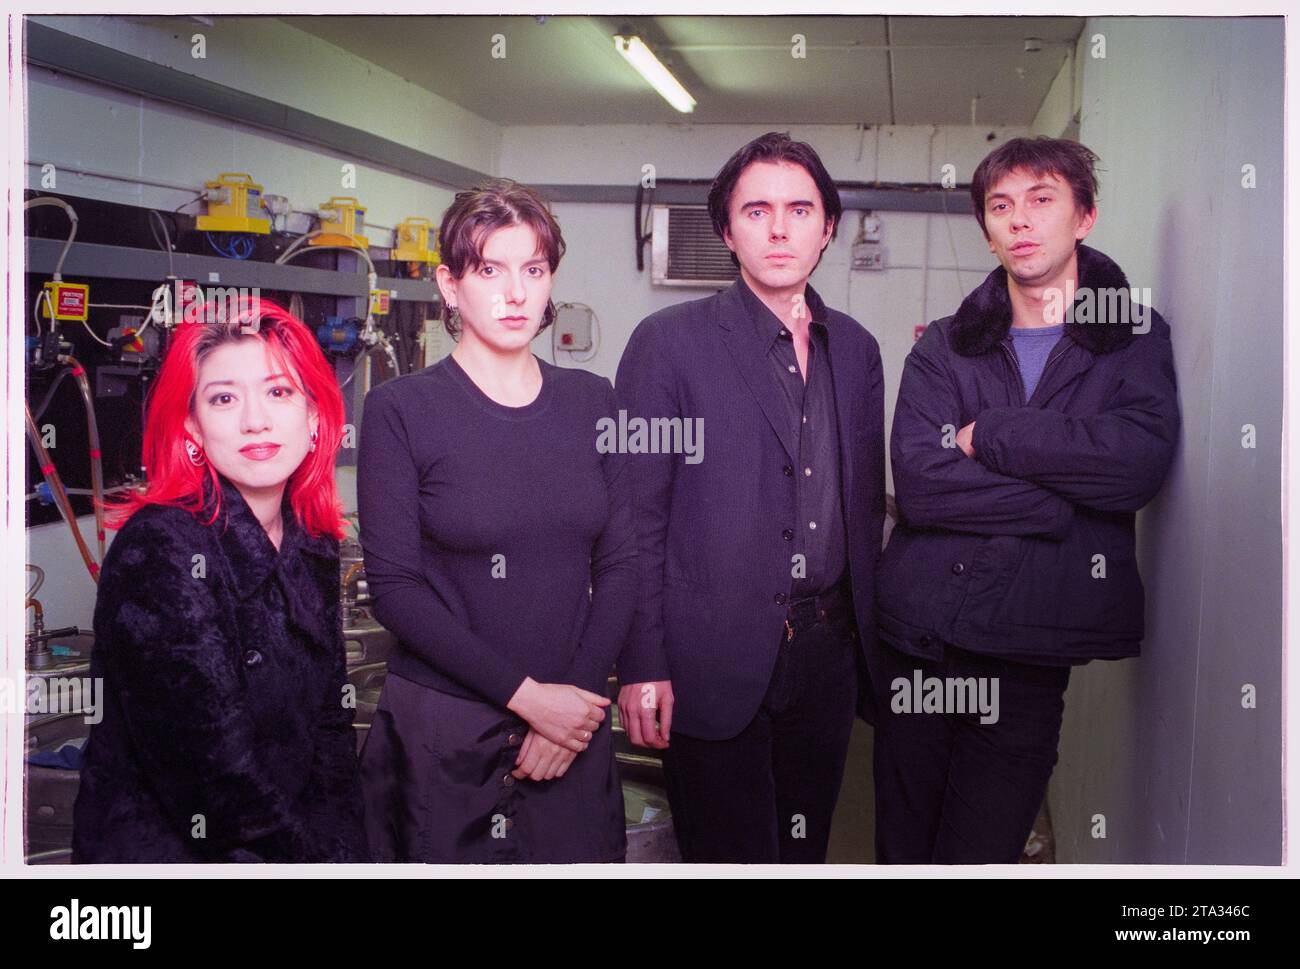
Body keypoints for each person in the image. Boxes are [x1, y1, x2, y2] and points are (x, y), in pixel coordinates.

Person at [871, 136, 1181, 863]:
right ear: (986, 226)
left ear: (1085, 217)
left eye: (1042, 200)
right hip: (918, 639)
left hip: (1028, 654)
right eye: (1001, 206)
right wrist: (1054, 505)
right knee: (903, 850)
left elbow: (1135, 466)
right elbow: (918, 481)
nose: (1020, 220)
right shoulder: (946, 346)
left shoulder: (1130, 337)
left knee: (980, 853)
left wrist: (1000, 433)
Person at [615, 132, 887, 863]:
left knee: (803, 852)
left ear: (827, 228)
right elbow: (635, 519)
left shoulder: (857, 350)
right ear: (726, 230)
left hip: (826, 657)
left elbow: (863, 509)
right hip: (709, 658)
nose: (778, 227)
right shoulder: (667, 343)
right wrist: (642, 662)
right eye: (757, 209)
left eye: (800, 210)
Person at [356, 178, 635, 863]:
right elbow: (396, 588)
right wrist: (529, 699)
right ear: (450, 286)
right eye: (490, 270)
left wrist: (572, 707)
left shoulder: (593, 400)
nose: (515, 293)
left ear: (550, 281)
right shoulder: (400, 411)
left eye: (533, 269)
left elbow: (624, 561)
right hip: (446, 735)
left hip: (572, 723)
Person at [72, 299, 367, 863]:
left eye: (278, 392)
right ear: (193, 428)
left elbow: (332, 728)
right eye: (224, 398)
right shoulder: (161, 549)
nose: (254, 420)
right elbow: (213, 777)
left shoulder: (311, 543)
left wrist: (348, 856)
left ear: (314, 416)